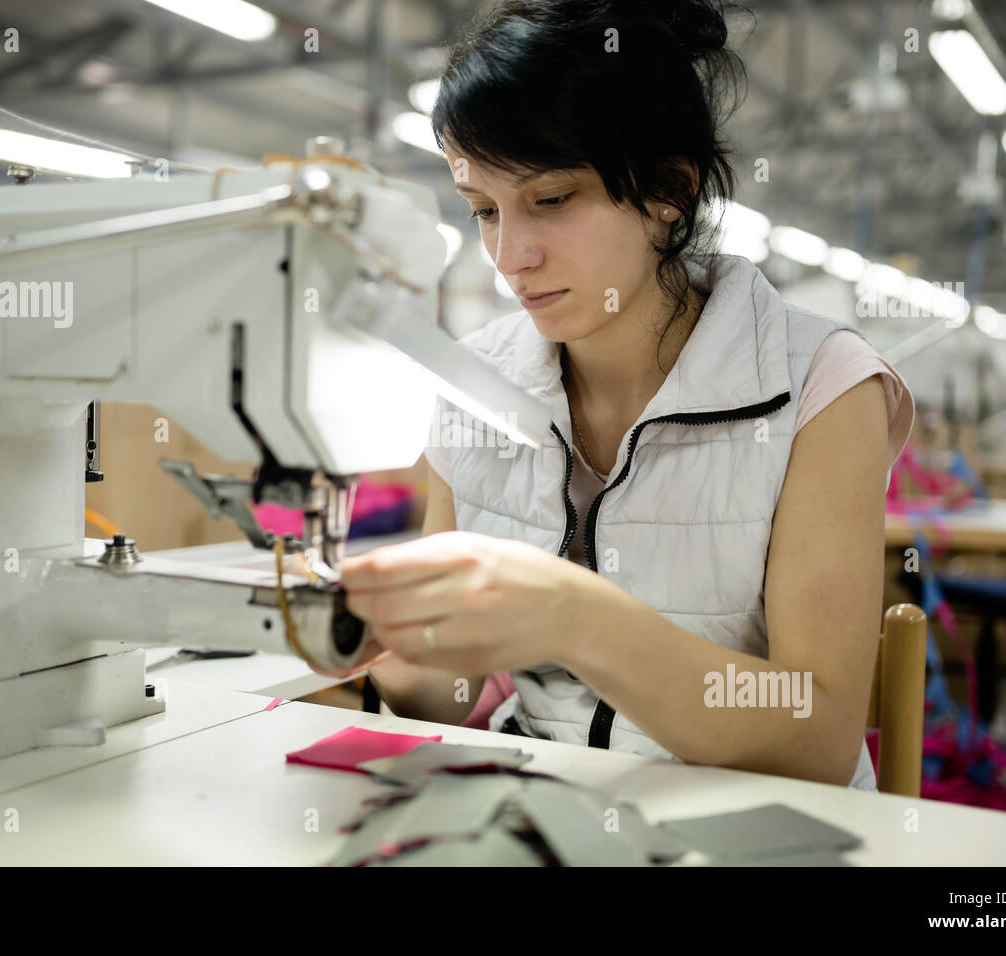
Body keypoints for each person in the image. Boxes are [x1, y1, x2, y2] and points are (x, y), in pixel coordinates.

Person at [324, 0, 915, 789]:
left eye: (553, 199)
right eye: (482, 211)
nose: (510, 255)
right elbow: (455, 689)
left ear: (668, 190)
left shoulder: (822, 387)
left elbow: (814, 736)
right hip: (541, 805)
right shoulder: (471, 382)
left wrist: (575, 617)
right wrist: (372, 635)